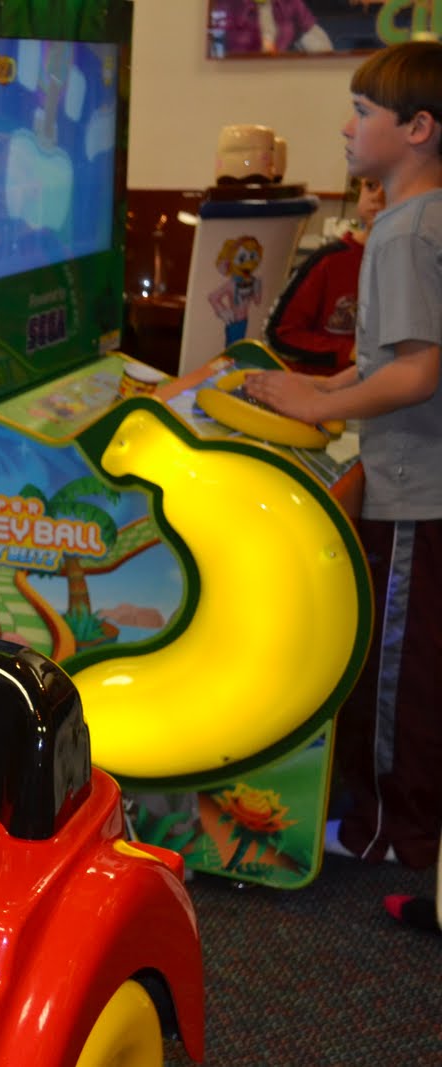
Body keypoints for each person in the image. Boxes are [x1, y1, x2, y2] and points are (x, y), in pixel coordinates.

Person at [246, 40, 442, 873]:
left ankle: (397, 832)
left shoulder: (403, 230)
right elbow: (395, 354)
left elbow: (419, 368)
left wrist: (322, 402)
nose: (347, 127)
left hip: (417, 487)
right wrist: (328, 383)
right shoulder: (420, 219)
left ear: (420, 128)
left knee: (401, 673)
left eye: (364, 113)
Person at [264, 178, 386, 375]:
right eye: (371, 185)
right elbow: (280, 334)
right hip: (319, 390)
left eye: (392, 186)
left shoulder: (422, 265)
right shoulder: (329, 261)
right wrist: (349, 352)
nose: (378, 196)